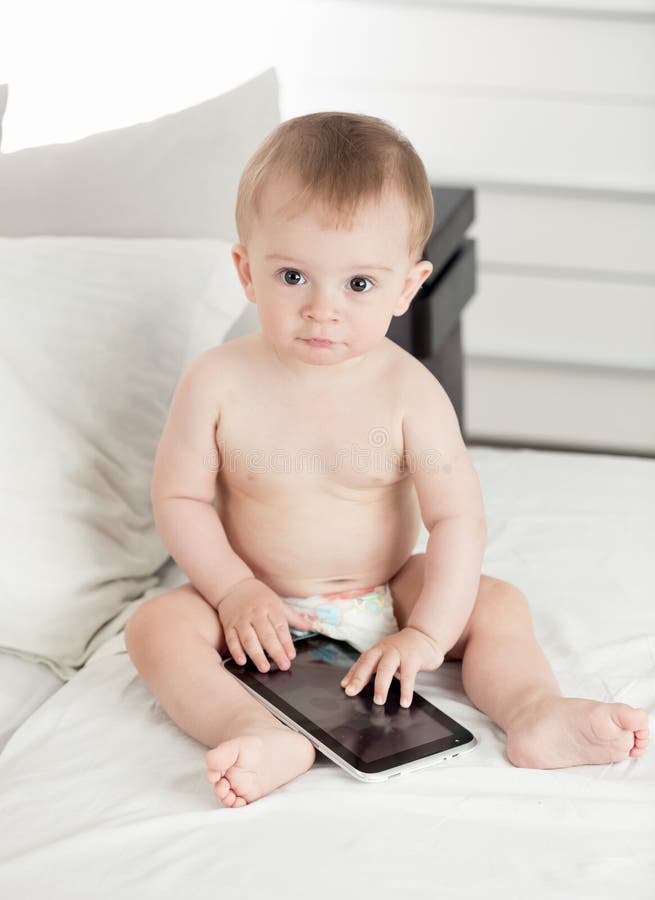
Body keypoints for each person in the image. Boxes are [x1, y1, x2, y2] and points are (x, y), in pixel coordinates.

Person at [124, 111, 649, 808]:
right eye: (292, 275)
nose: (323, 309)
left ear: (407, 286)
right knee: (156, 627)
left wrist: (427, 634)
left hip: (385, 591)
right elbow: (181, 498)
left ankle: (532, 710)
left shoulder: (410, 393)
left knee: (496, 603)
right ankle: (255, 730)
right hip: (253, 603)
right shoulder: (216, 381)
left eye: (359, 285)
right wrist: (231, 590)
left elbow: (457, 518)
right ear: (246, 271)